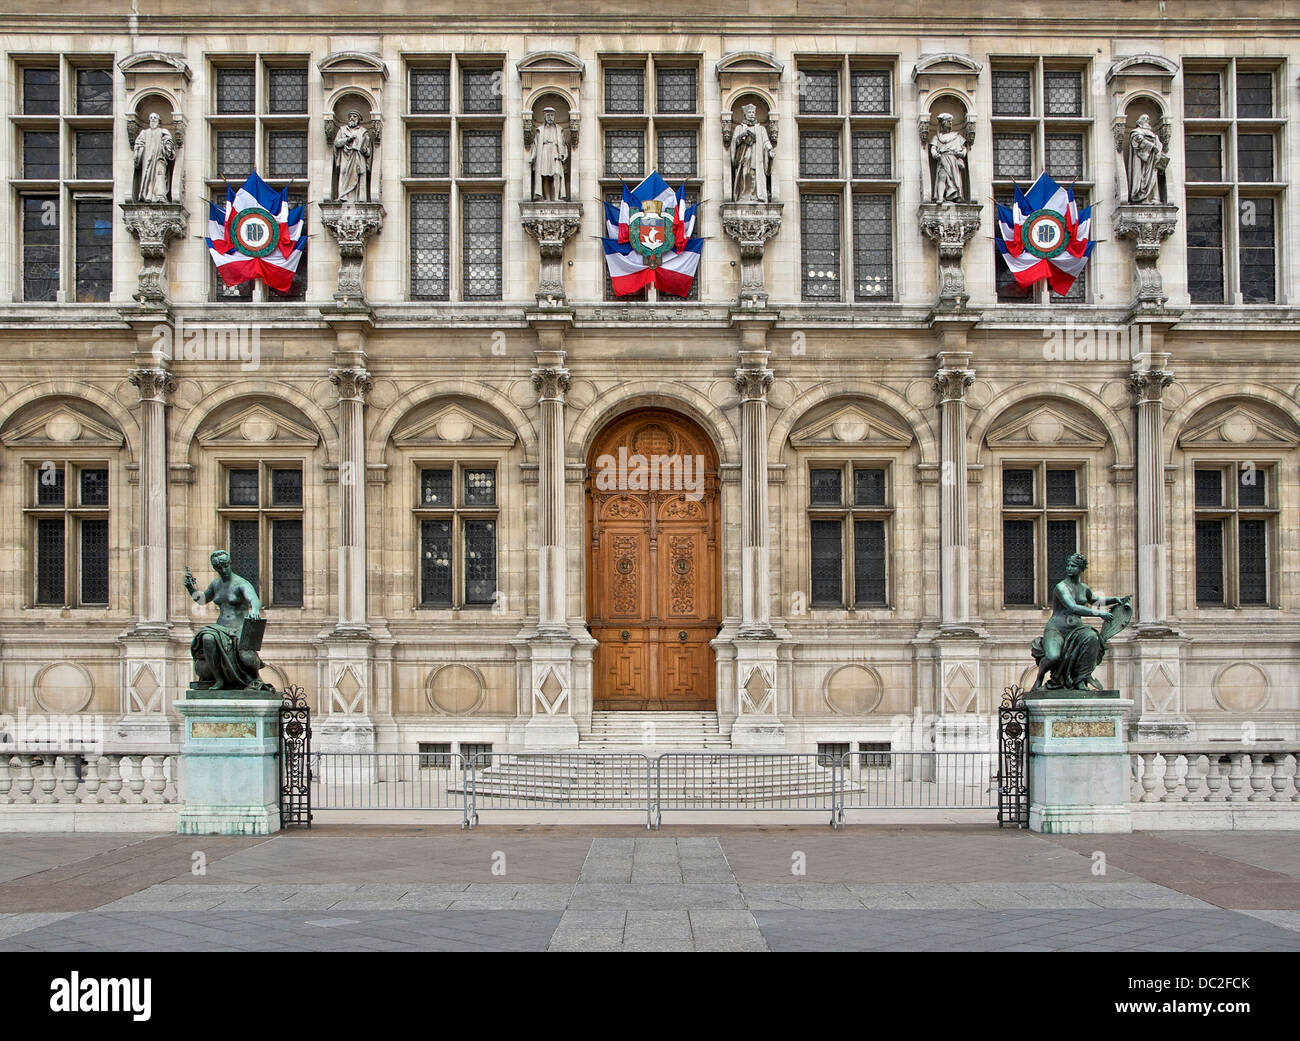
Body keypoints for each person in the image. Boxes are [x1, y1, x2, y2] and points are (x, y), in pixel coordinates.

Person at [1030, 553, 1131, 691]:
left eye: (1073, 566)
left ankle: (1080, 679)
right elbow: (1073, 607)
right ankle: (1039, 679)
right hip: (1057, 629)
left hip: (1076, 630)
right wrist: (1099, 613)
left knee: (1092, 638)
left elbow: (1096, 600)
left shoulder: (1084, 588)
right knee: (1053, 656)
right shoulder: (1061, 587)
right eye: (1068, 565)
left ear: (1081, 569)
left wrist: (1115, 599)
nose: (1069, 568)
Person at [185, 550, 271, 691]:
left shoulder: (241, 583)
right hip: (221, 627)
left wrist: (255, 610)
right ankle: (219, 680)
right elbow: (202, 600)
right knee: (207, 638)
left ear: (230, 563)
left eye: (225, 565)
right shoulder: (216, 585)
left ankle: (254, 676)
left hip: (239, 627)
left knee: (245, 656)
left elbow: (253, 599)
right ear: (214, 568)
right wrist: (191, 588)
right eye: (219, 567)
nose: (223, 569)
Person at [730, 103, 776, 202]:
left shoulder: (761, 129)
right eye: (749, 112)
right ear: (745, 115)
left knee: (754, 175)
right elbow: (734, 143)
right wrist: (741, 138)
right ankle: (743, 195)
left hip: (756, 156)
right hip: (744, 157)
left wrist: (770, 150)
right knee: (744, 175)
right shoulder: (739, 128)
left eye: (753, 112)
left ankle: (755, 196)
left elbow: (766, 142)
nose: (751, 114)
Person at [527, 107, 569, 200]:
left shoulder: (559, 129)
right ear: (545, 117)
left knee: (557, 174)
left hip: (555, 151)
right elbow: (536, 145)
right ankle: (548, 199)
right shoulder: (540, 130)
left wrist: (563, 154)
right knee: (545, 176)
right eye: (548, 115)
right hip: (544, 152)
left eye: (552, 115)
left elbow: (564, 144)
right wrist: (533, 157)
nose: (550, 117)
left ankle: (556, 198)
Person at [132, 112, 175, 203]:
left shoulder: (163, 131)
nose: (153, 119)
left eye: (155, 117)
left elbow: (168, 142)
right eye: (151, 118)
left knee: (160, 175)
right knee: (147, 176)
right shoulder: (144, 133)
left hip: (159, 158)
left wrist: (168, 147)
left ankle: (160, 195)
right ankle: (147, 195)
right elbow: (139, 144)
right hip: (147, 158)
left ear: (158, 120)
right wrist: (138, 151)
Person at [333, 110, 373, 203]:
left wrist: (364, 150)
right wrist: (347, 140)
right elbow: (337, 143)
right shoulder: (342, 130)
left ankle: (359, 199)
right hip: (345, 157)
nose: (352, 118)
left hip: (358, 157)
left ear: (358, 119)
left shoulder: (363, 132)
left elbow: (368, 151)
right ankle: (343, 196)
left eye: (354, 116)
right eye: (350, 116)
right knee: (344, 174)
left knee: (359, 176)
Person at [929, 113, 968, 203]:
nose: (949, 124)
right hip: (943, 158)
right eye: (948, 121)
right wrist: (935, 154)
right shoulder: (937, 137)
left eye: (950, 122)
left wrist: (961, 153)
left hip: (954, 159)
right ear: (942, 123)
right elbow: (933, 148)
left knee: (956, 178)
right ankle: (940, 197)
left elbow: (964, 149)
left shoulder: (957, 136)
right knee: (942, 176)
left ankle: (957, 195)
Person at [1128, 114, 1165, 204]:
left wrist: (1159, 150)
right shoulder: (1136, 132)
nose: (1147, 121)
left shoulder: (1152, 133)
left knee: (1154, 177)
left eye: (1148, 119)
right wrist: (1152, 146)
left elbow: (1158, 143)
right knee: (1142, 178)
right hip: (1142, 160)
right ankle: (1142, 198)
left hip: (1152, 159)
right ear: (1140, 122)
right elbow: (1138, 140)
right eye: (1145, 119)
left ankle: (1155, 198)